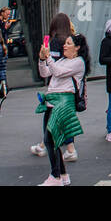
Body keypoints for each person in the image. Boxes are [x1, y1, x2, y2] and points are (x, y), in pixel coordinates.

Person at [36, 34, 85, 185]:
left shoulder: (78, 62)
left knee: (50, 140)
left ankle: (55, 176)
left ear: (77, 47)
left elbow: (57, 72)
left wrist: (49, 57)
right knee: (52, 140)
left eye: (69, 43)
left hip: (62, 102)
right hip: (51, 102)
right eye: (65, 43)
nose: (64, 46)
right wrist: (42, 59)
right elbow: (45, 73)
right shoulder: (63, 60)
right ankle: (62, 175)